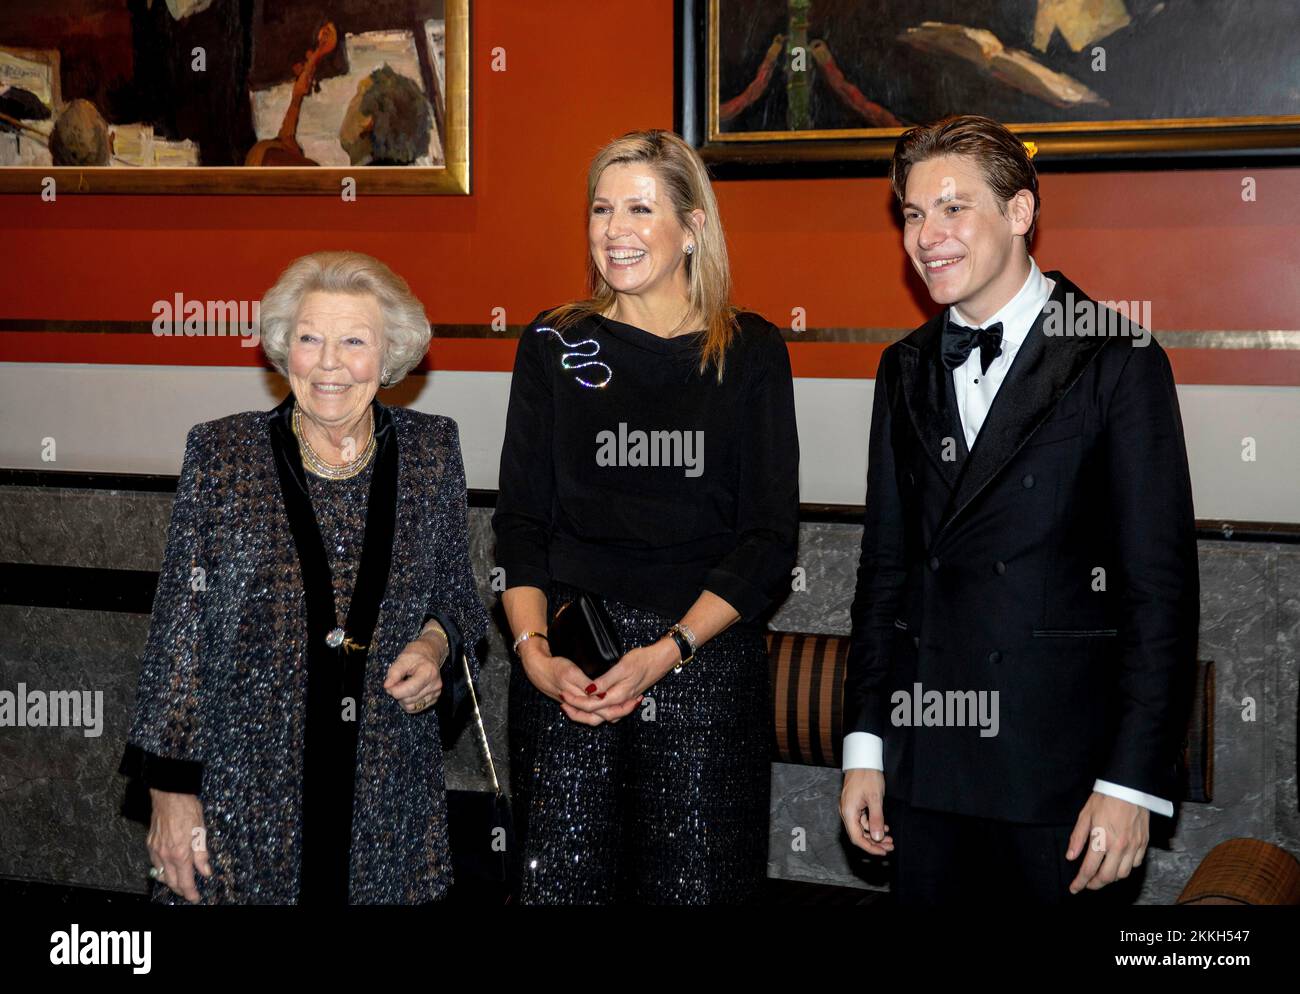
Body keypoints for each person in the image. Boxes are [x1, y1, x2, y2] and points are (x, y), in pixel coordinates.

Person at [839, 115, 1199, 906]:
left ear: (1020, 213)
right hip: (926, 771)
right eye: (911, 213)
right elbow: (885, 573)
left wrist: (1131, 784)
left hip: (1063, 783)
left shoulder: (1116, 360)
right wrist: (865, 747)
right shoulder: (902, 369)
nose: (926, 235)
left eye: (952, 208)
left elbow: (1160, 594)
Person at [119, 250, 489, 904]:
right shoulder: (223, 454)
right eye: (309, 338)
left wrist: (436, 647)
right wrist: (171, 796)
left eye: (353, 341)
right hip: (244, 803)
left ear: (391, 354)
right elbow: (180, 637)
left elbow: (458, 600)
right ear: (284, 347)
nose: (327, 363)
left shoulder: (433, 450)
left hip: (387, 799)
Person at [493, 129, 799, 904]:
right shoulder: (554, 344)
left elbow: (767, 539)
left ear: (694, 224)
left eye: (639, 207)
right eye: (601, 208)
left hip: (703, 661)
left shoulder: (751, 351)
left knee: (695, 890)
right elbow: (522, 524)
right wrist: (533, 656)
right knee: (559, 889)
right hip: (571, 666)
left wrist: (669, 650)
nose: (613, 229)